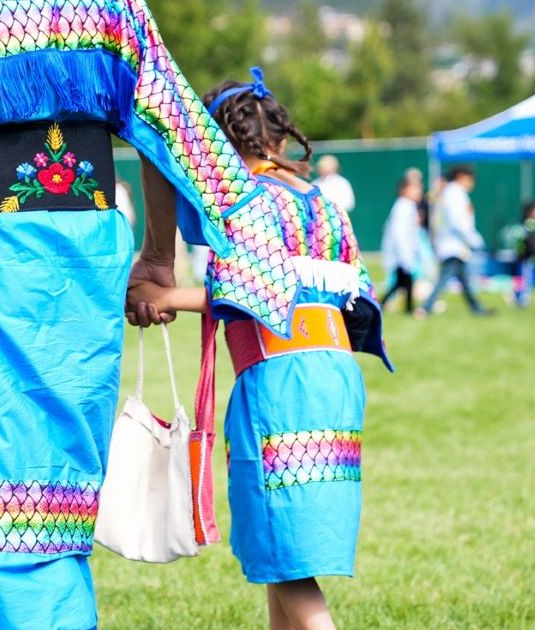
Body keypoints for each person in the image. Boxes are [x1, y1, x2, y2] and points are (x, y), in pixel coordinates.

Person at [0, 5, 327, 627]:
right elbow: (158, 115)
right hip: (86, 248)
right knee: (56, 491)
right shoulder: (108, 4)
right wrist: (156, 254)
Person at [129, 72, 390, 630]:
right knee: (283, 552)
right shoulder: (321, 203)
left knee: (291, 564)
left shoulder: (251, 201)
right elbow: (358, 291)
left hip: (280, 378)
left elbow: (256, 288)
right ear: (277, 133)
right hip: (336, 377)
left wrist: (161, 294)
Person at [416, 165, 492, 318]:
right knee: (445, 277)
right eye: (471, 179)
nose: (472, 183)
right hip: (453, 244)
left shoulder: (453, 192)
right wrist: (474, 240)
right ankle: (426, 307)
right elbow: (457, 221)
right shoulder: (454, 193)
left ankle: (476, 308)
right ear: (462, 176)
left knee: (463, 279)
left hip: (456, 244)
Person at [380, 175, 423, 314]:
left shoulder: (408, 206)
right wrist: (405, 255)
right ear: (404, 190)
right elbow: (399, 234)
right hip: (402, 253)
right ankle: (409, 309)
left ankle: (384, 304)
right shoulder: (403, 206)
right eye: (414, 188)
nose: (418, 191)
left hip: (406, 252)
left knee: (401, 282)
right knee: (406, 281)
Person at [503, 200, 535, 308]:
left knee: (520, 278)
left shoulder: (523, 223)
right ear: (531, 211)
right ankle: (521, 299)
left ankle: (517, 297)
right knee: (525, 278)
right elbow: (531, 242)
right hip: (525, 257)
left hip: (520, 256)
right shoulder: (530, 223)